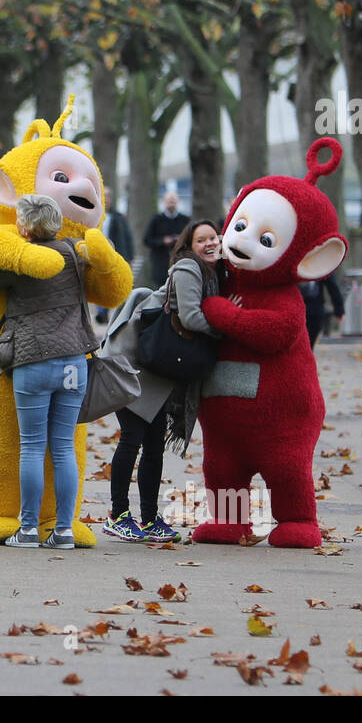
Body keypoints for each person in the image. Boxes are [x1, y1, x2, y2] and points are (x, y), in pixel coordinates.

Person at [0, 194, 96, 550]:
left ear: (23, 225)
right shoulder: (73, 254)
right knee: (64, 447)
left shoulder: (19, 260)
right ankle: (65, 530)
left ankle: (27, 530)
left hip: (33, 362)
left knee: (33, 447)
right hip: (73, 363)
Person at [105, 219, 226, 542]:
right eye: (201, 239)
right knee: (132, 439)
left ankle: (149, 518)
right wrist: (227, 327)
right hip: (134, 366)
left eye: (213, 237)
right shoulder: (188, 268)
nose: (209, 243)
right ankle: (118, 515)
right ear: (189, 246)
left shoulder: (214, 274)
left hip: (158, 371)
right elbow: (189, 317)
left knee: (154, 445)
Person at [95, 191, 135, 323]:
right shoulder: (93, 214)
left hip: (117, 255)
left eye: (108, 196)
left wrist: (130, 256)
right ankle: (102, 312)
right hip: (99, 255)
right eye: (103, 196)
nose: (106, 199)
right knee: (100, 283)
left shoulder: (119, 217)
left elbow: (127, 237)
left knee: (114, 283)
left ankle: (115, 312)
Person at [142, 191, 189, 288]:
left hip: (179, 262)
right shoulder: (156, 219)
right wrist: (162, 241)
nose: (171, 202)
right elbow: (147, 240)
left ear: (178, 202)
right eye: (169, 200)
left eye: (173, 200)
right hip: (160, 264)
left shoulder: (185, 220)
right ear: (164, 202)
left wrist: (180, 239)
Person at [300, 272, 345, 347]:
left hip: (314, 309)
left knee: (308, 342)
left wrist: (339, 310)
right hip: (302, 309)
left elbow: (332, 286)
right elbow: (332, 286)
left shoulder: (321, 264)